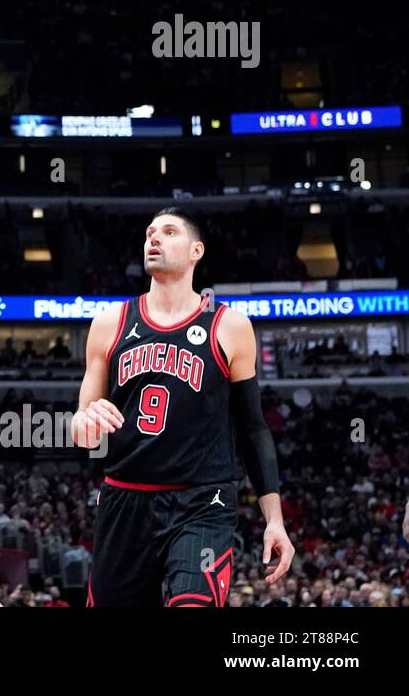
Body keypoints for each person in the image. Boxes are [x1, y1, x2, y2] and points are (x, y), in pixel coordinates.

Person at [72, 207, 295, 606]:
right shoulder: (109, 323)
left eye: (169, 232)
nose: (153, 239)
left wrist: (274, 520)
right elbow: (81, 425)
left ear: (196, 250)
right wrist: (85, 420)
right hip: (125, 499)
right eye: (149, 233)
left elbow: (252, 428)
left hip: (202, 502)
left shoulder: (229, 326)